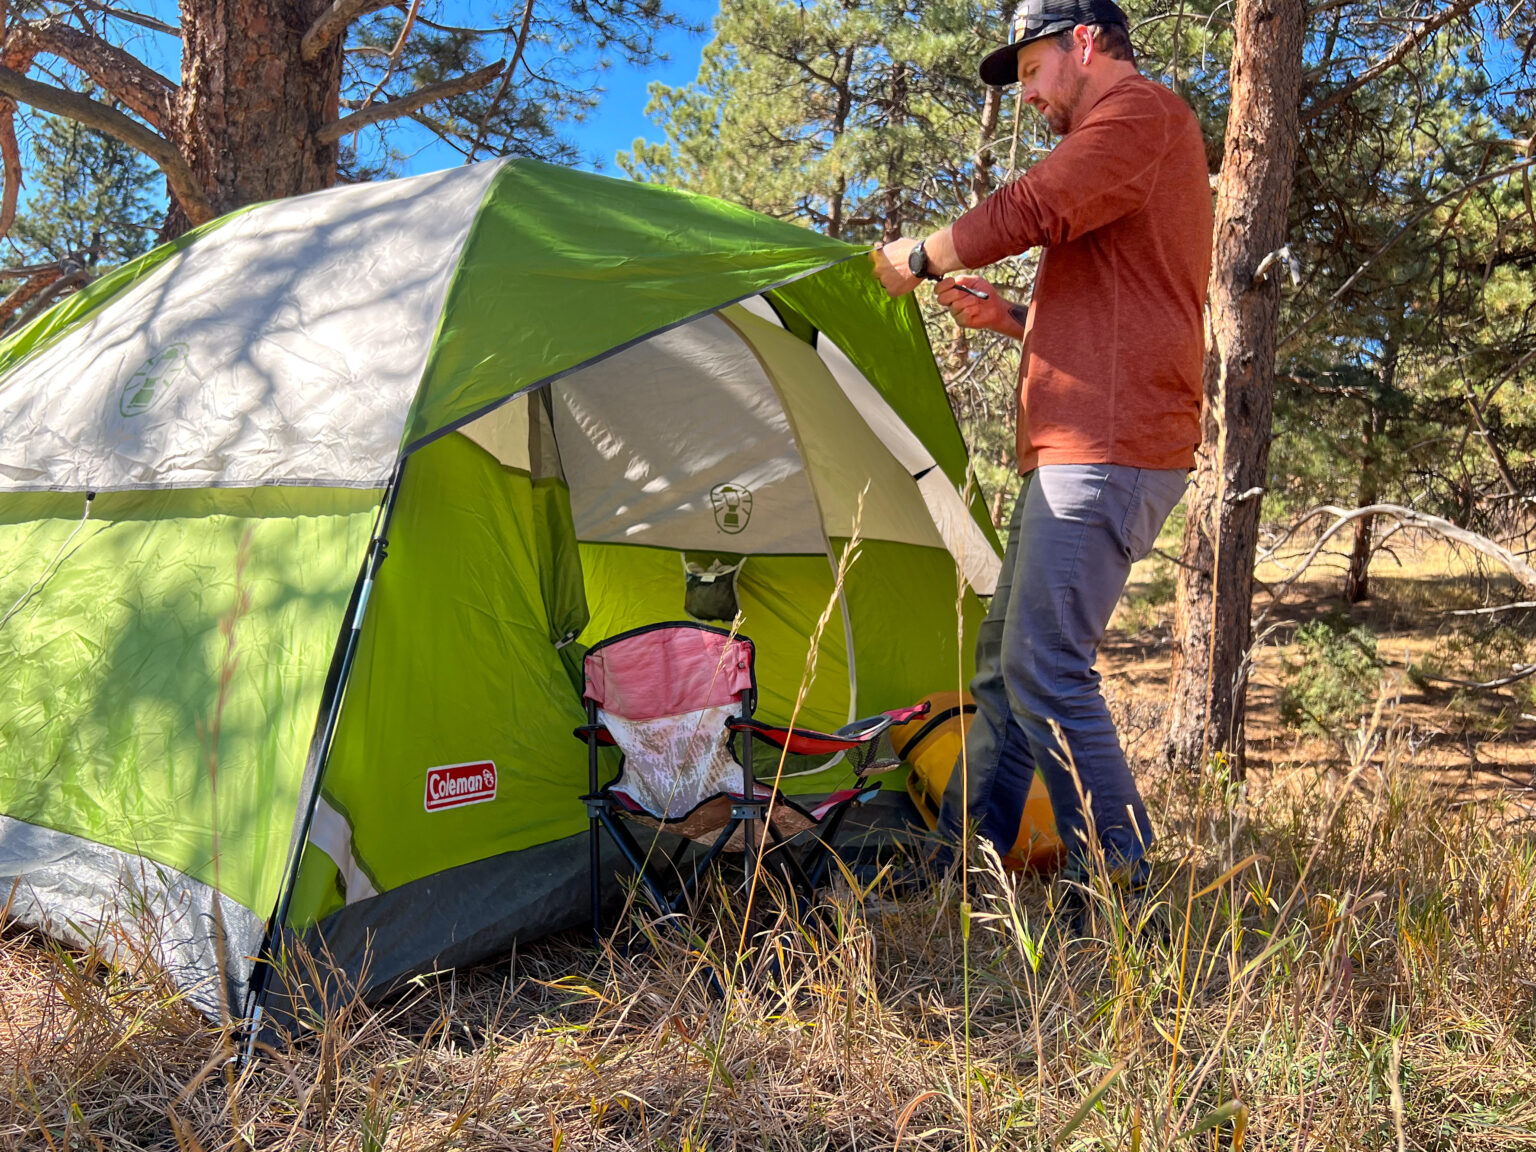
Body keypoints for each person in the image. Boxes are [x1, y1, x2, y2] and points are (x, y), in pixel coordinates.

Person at [871, 0, 1213, 890]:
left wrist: (924, 254)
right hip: (1074, 446)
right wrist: (1010, 319)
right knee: (1002, 670)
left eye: (1030, 70)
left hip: (1106, 450)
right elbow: (1119, 314)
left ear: (1086, 44)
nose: (1025, 94)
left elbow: (1038, 203)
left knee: (1045, 670)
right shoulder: (1129, 141)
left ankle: (1124, 889)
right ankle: (969, 858)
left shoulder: (1139, 114)